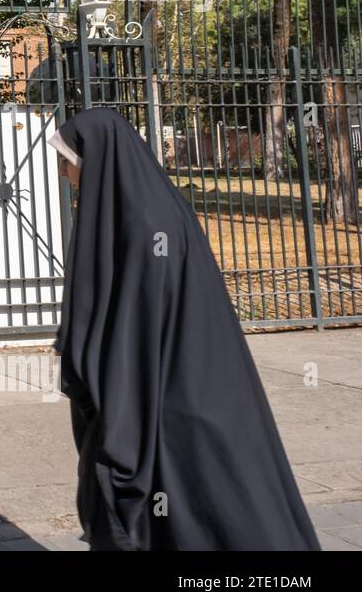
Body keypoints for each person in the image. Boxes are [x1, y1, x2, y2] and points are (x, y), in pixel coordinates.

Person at [50, 108, 320, 550]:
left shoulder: (147, 222)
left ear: (94, 159)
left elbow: (138, 320)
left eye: (67, 161)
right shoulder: (128, 211)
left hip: (171, 389)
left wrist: (93, 359)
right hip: (155, 383)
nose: (63, 172)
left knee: (205, 498)